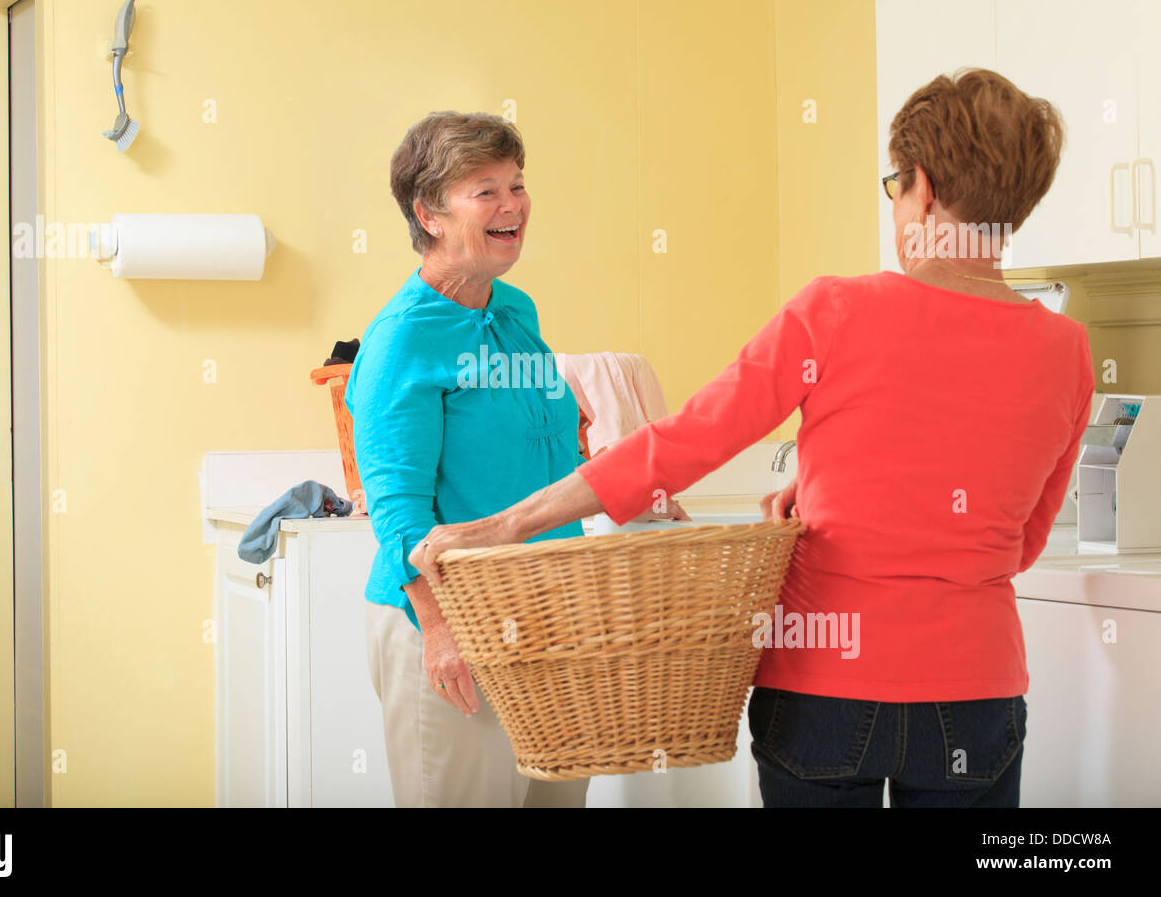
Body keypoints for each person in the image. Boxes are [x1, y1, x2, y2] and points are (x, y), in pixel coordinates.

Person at [410, 69, 1092, 807]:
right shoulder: (1069, 350)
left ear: (920, 188)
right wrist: (840, 488)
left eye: (893, 185)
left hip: (826, 690)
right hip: (977, 696)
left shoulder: (837, 309)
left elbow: (686, 442)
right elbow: (1017, 542)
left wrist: (509, 524)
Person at [346, 111, 683, 807]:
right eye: (485, 190)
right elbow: (399, 513)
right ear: (429, 214)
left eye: (518, 185)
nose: (513, 205)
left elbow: (550, 440)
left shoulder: (515, 311)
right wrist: (440, 633)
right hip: (446, 624)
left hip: (546, 615)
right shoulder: (401, 340)